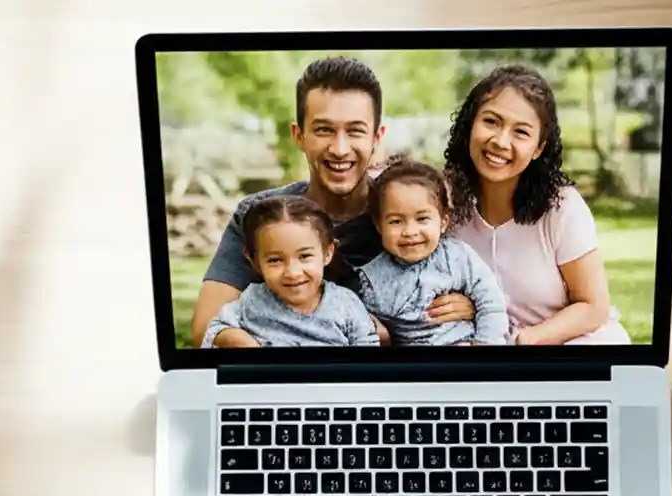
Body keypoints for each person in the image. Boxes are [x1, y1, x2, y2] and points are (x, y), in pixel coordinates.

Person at [189, 56, 476, 347]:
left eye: (355, 131)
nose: (339, 149)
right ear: (298, 135)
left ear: (377, 137)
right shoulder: (260, 216)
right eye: (324, 129)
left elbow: (473, 293)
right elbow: (206, 329)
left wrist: (472, 307)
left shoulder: (412, 214)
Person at [442, 64, 631, 345]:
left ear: (538, 148)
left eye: (521, 132)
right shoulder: (443, 204)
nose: (500, 141)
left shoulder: (562, 208)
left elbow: (594, 307)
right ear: (470, 125)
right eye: (491, 121)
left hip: (566, 343)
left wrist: (526, 341)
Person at [355, 159, 509, 346]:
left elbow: (491, 302)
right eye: (396, 221)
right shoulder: (370, 280)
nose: (410, 232)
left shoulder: (456, 257)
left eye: (422, 219)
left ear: (443, 222)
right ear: (379, 226)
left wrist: (485, 345)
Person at [201, 195, 379, 348]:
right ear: (254, 261)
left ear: (327, 253)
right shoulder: (252, 300)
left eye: (304, 256)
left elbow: (368, 350)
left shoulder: (345, 305)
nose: (293, 273)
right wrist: (242, 341)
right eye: (275, 260)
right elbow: (214, 329)